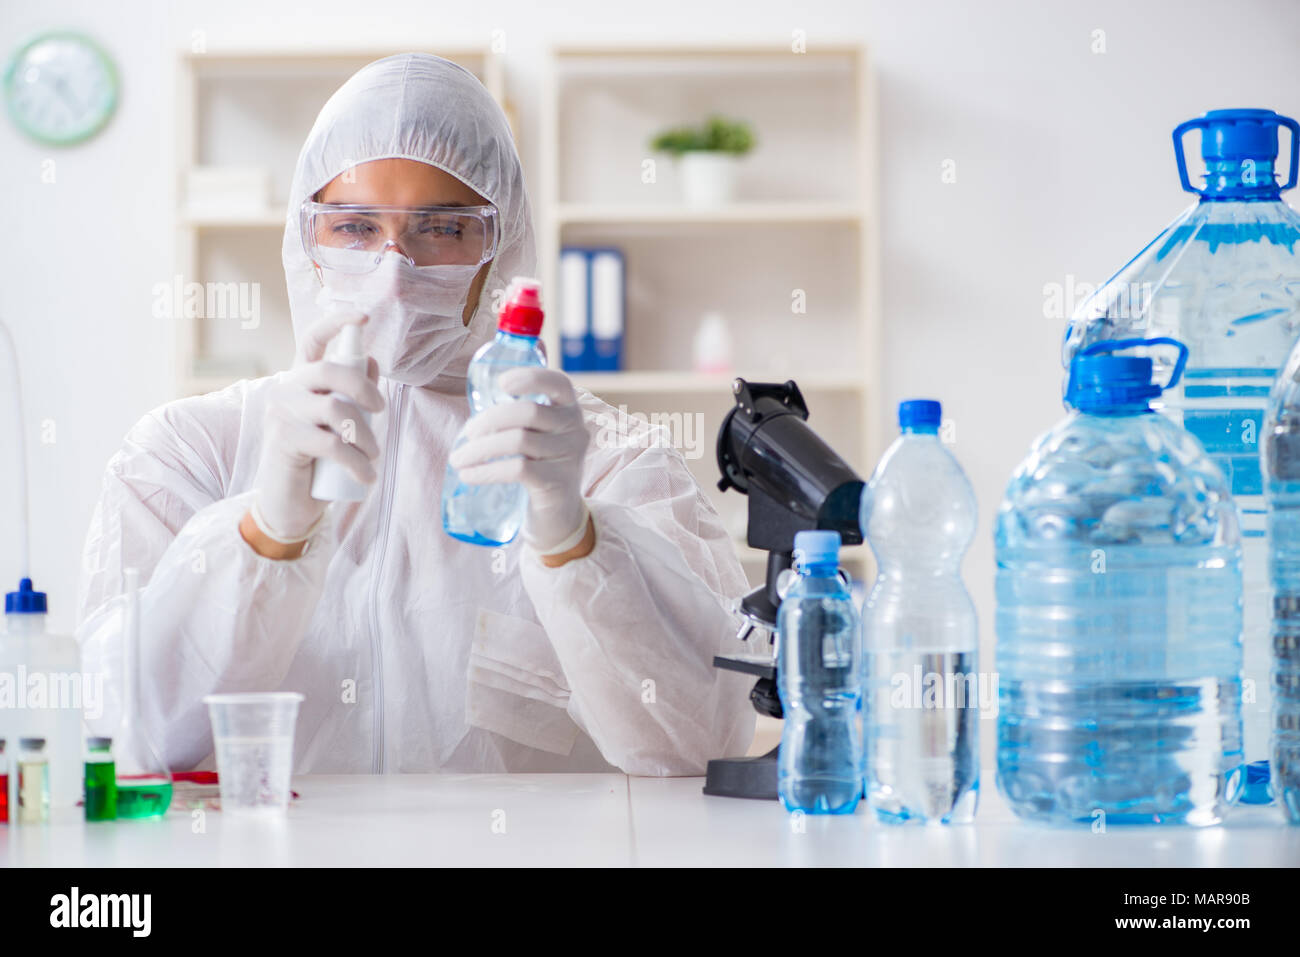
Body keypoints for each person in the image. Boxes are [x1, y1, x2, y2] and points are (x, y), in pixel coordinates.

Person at [76, 54, 754, 775]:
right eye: (354, 227)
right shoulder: (191, 450)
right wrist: (264, 532)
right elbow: (125, 733)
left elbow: (704, 742)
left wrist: (575, 541)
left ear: (500, 245)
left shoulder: (607, 459)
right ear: (308, 240)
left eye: (443, 228)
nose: (395, 271)